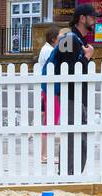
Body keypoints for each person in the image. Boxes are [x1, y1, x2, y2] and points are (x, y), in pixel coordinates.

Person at [48, 3, 97, 175]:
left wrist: (86, 59)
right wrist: (87, 58)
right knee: (72, 138)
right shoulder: (68, 39)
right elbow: (67, 71)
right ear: (82, 18)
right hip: (70, 96)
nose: (95, 20)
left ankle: (74, 174)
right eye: (92, 17)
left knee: (80, 138)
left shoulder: (80, 40)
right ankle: (67, 175)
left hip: (79, 96)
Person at [37, 26, 60, 165]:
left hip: (48, 89)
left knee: (50, 120)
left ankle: (45, 154)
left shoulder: (46, 49)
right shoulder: (50, 51)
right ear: (53, 39)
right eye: (60, 38)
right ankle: (45, 155)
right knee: (51, 121)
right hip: (50, 90)